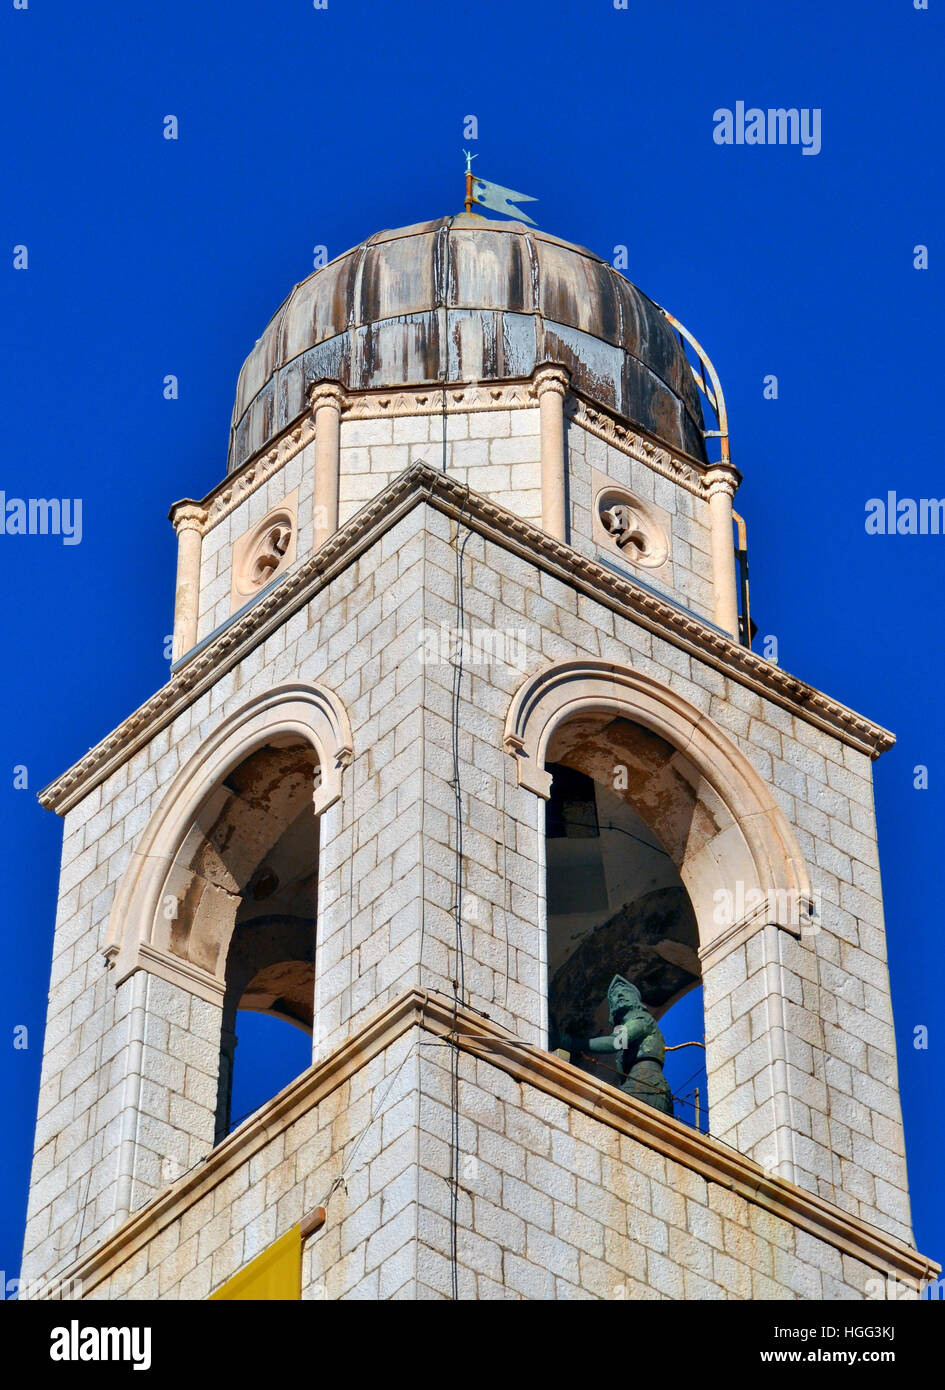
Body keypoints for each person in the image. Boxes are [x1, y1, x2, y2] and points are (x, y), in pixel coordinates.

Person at [553, 974, 674, 1116]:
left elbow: (614, 1042)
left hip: (646, 1085)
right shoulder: (628, 1024)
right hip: (641, 1085)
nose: (619, 995)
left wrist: (569, 1042)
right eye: (615, 996)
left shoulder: (642, 1019)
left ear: (636, 1000)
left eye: (624, 991)